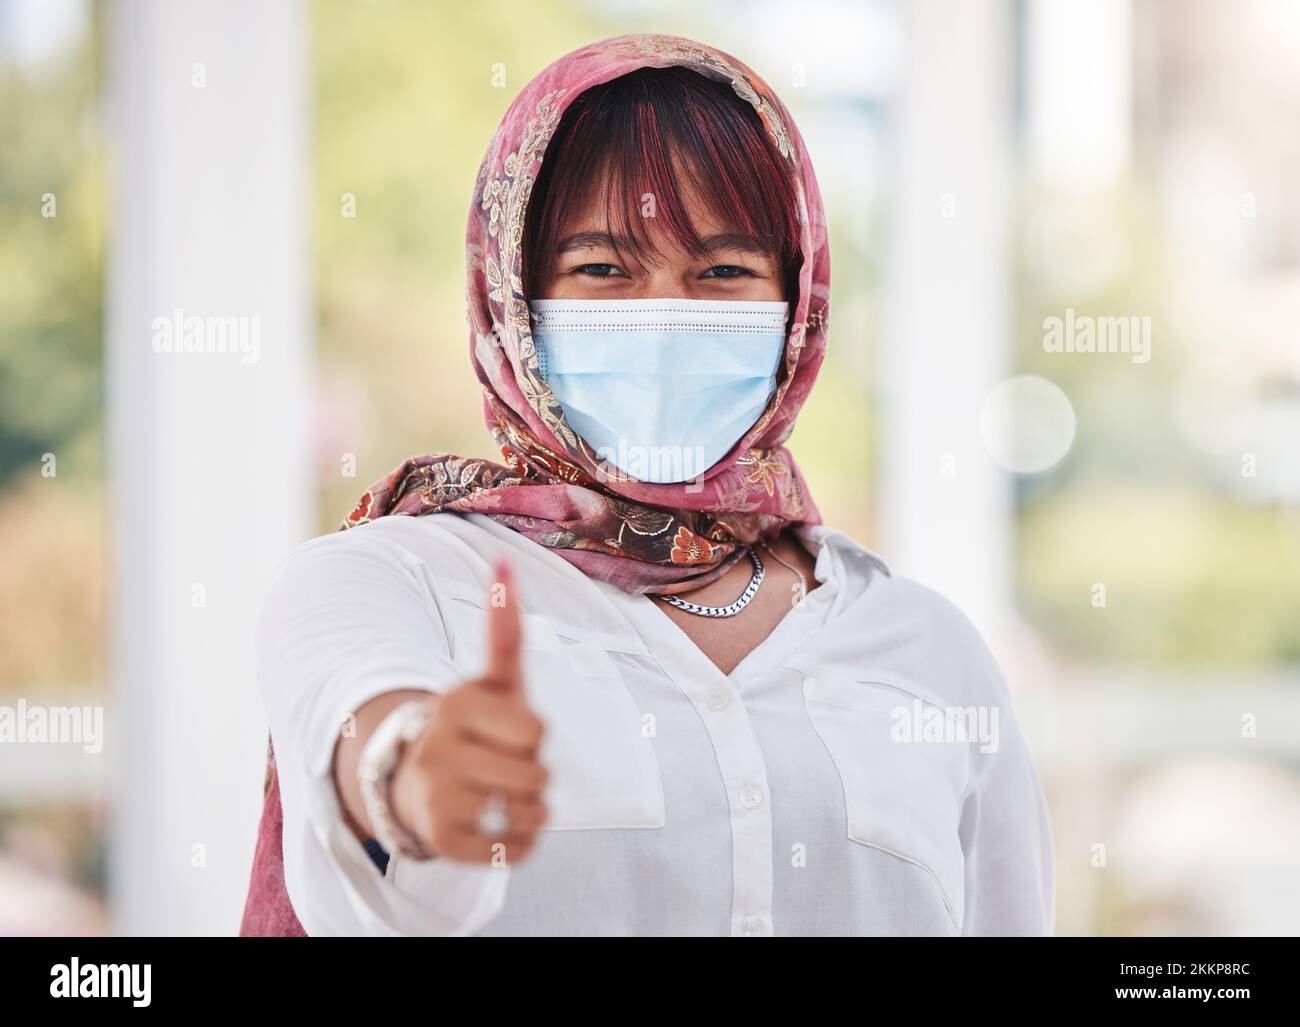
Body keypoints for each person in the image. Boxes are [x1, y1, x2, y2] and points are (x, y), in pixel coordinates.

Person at [239, 32, 1054, 937]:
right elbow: (362, 721)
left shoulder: (925, 647)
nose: (664, 315)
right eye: (601, 268)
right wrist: (420, 775)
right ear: (510, 296)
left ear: (799, 302)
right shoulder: (386, 580)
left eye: (722, 271)